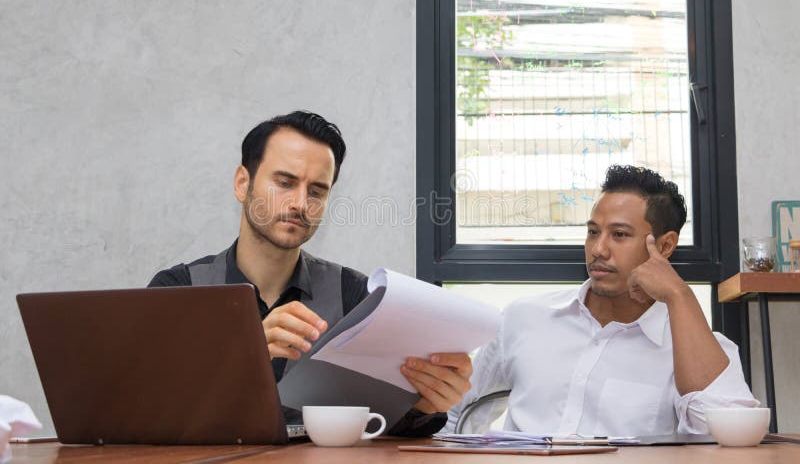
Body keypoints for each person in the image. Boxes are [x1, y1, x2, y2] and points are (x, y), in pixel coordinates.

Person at [149, 111, 472, 435]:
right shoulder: (178, 291)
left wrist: (423, 405)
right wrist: (240, 353)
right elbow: (145, 408)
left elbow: (384, 425)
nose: (301, 203)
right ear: (242, 183)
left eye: (317, 191)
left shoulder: (357, 297)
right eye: (285, 183)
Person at [446, 165, 758, 436]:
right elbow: (452, 415)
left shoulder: (702, 350)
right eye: (593, 232)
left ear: (664, 247)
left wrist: (679, 295)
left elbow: (729, 435)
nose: (599, 249)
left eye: (619, 234)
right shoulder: (522, 318)